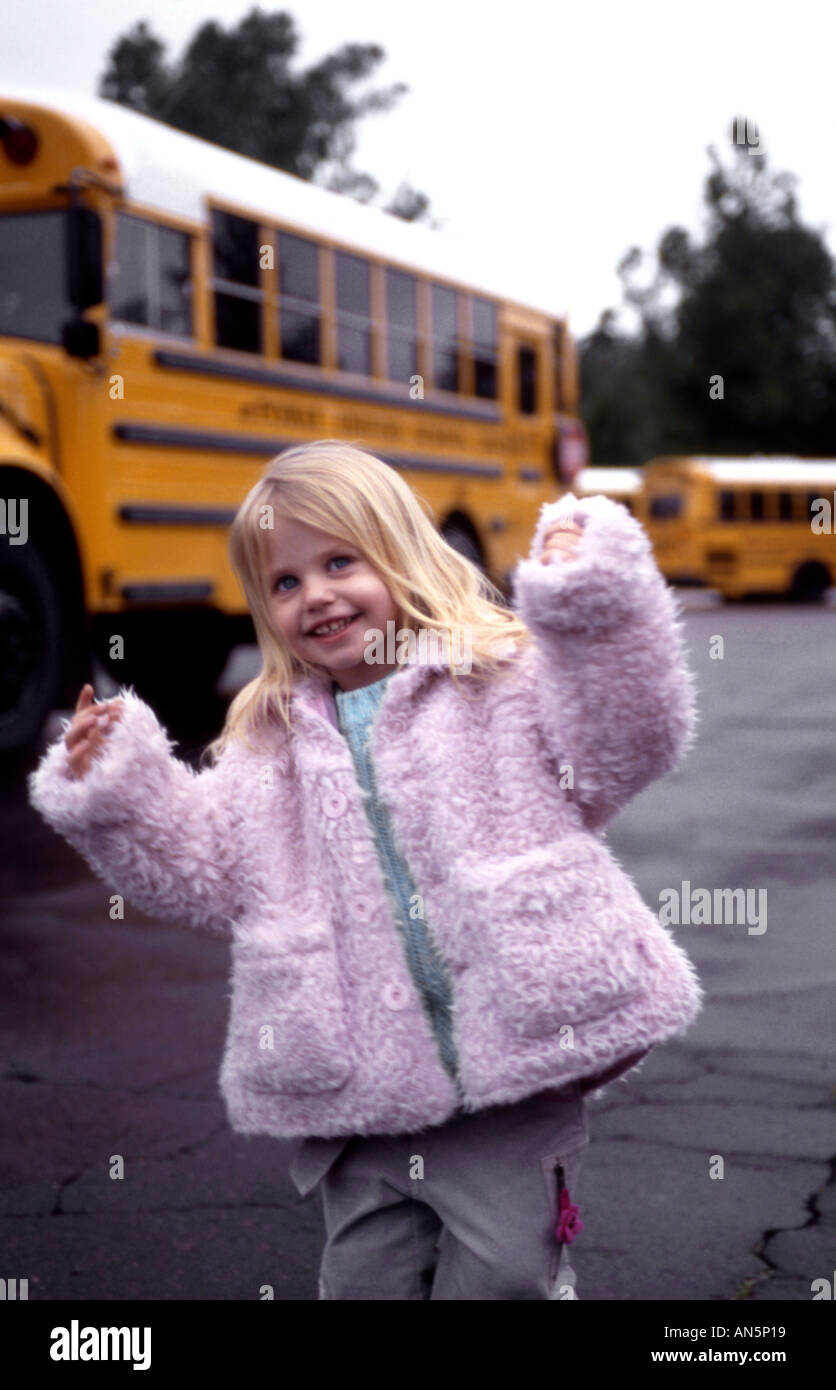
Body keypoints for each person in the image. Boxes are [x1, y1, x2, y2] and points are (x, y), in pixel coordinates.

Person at [28, 438, 703, 1300]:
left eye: (339, 561)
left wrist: (591, 607)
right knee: (363, 1283)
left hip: (515, 1077)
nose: (315, 596)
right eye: (284, 582)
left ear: (401, 552)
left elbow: (628, 740)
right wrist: (113, 785)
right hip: (358, 1096)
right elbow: (199, 868)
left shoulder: (497, 681)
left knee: (504, 1275)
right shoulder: (266, 743)